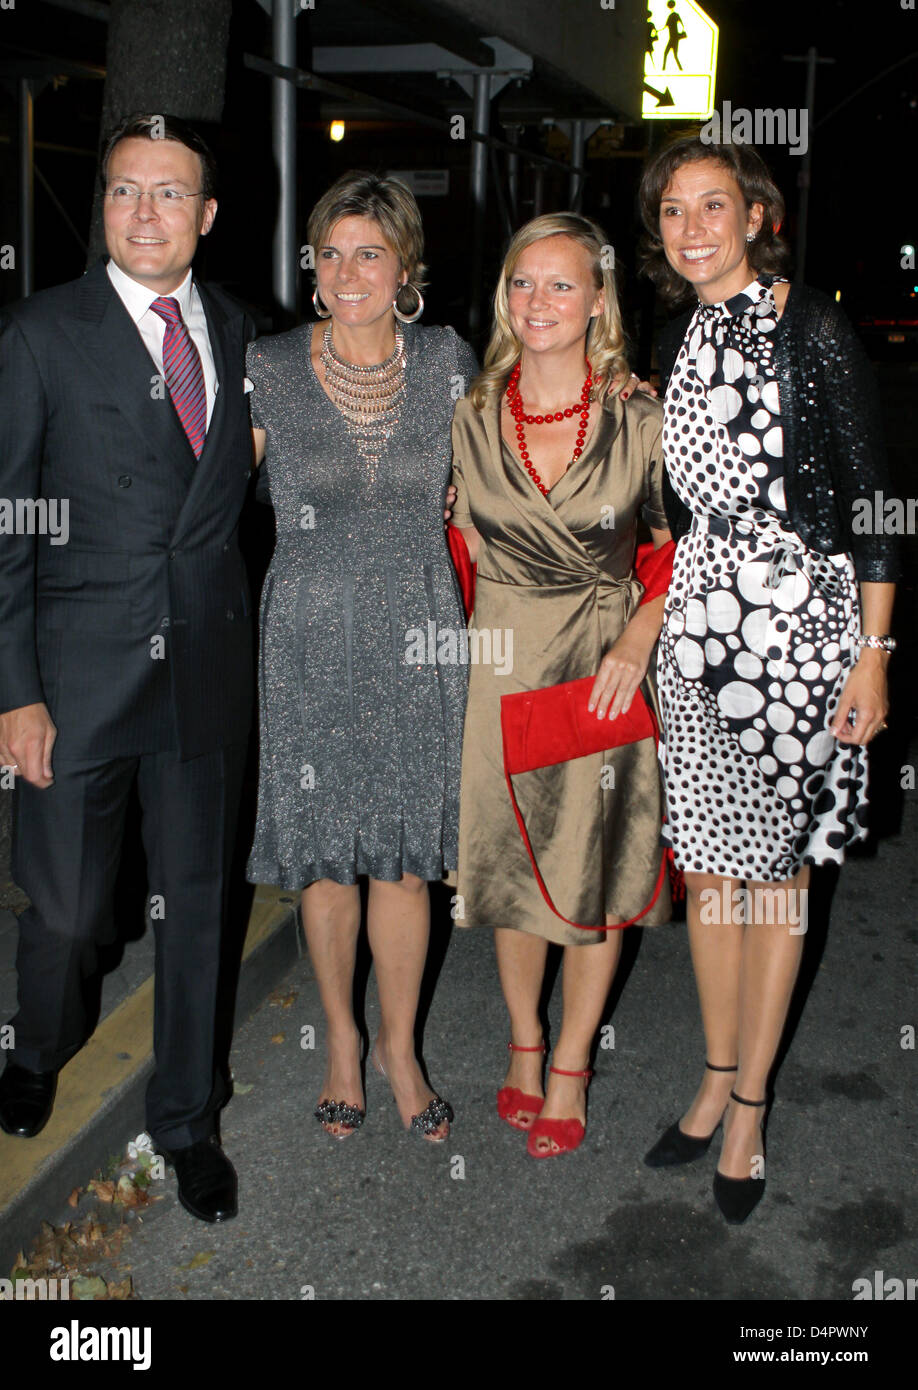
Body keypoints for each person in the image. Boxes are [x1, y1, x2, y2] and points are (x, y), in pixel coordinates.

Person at [638, 134, 899, 1221]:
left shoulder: (816, 328)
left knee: (775, 877)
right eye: (672, 212)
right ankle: (709, 1071)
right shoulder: (675, 330)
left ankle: (750, 1105)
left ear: (756, 216)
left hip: (799, 630)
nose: (693, 228)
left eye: (714, 206)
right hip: (695, 626)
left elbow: (876, 508)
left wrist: (875, 655)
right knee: (709, 870)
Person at [0, 114, 255, 1223]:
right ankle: (41, 1041)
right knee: (61, 910)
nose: (143, 212)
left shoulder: (248, 337)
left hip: (205, 669)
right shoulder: (38, 332)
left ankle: (187, 1119)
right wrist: (15, 687)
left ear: (205, 214)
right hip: (75, 676)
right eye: (121, 191)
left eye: (169, 193)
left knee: (198, 906)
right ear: (101, 205)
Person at [247, 171, 476, 1142]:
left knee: (405, 864)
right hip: (309, 638)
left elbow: (506, 463)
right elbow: (200, 497)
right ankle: (341, 1040)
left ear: (405, 269)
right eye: (330, 252)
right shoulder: (267, 365)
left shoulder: (449, 361)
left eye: (369, 253)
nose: (347, 272)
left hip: (419, 636)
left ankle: (400, 1045)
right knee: (327, 861)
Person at [448, 213, 673, 1160]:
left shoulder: (639, 415)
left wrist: (636, 640)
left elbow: (671, 552)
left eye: (562, 285)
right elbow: (451, 547)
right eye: (523, 284)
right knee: (506, 867)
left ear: (596, 300)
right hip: (498, 664)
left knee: (590, 871)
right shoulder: (468, 412)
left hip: (597, 663)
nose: (538, 302)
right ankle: (526, 1044)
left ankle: (574, 1063)